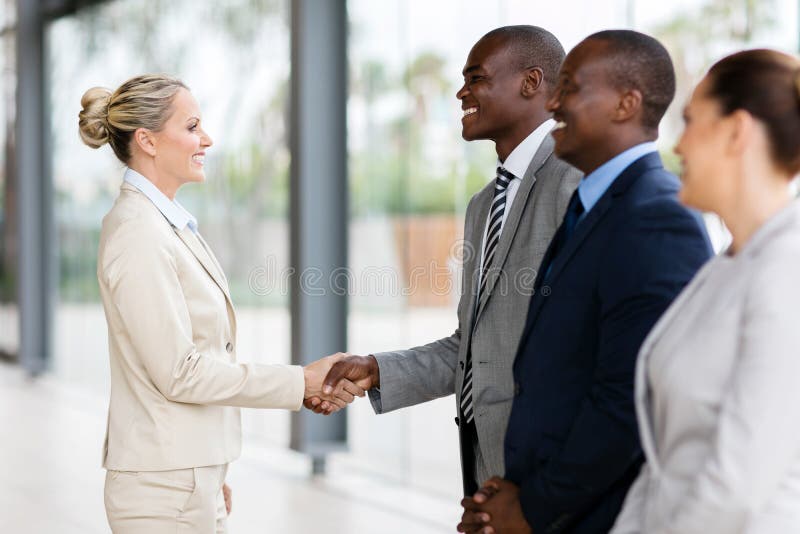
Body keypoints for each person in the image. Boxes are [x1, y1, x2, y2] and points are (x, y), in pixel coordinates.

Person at [79, 74, 362, 534]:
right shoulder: (138, 232)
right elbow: (179, 371)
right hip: (163, 492)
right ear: (147, 140)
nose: (207, 139)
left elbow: (200, 355)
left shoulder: (164, 224)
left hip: (187, 481)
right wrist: (301, 381)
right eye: (192, 127)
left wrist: (210, 473)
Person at [308, 25, 582, 495]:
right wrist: (375, 369)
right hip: (487, 470)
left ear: (531, 82)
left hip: (551, 479)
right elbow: (473, 347)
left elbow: (588, 348)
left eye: (476, 78)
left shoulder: (576, 182)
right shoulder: (483, 205)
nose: (461, 93)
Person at [458, 30, 713, 533]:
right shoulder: (589, 206)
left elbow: (630, 397)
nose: (554, 102)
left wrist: (533, 507)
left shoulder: (657, 215)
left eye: (571, 87)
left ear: (626, 104)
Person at [610, 49, 800, 534]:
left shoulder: (787, 272)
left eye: (691, 121)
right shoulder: (727, 265)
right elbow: (662, 464)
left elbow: (736, 487)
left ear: (737, 132)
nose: (678, 144)